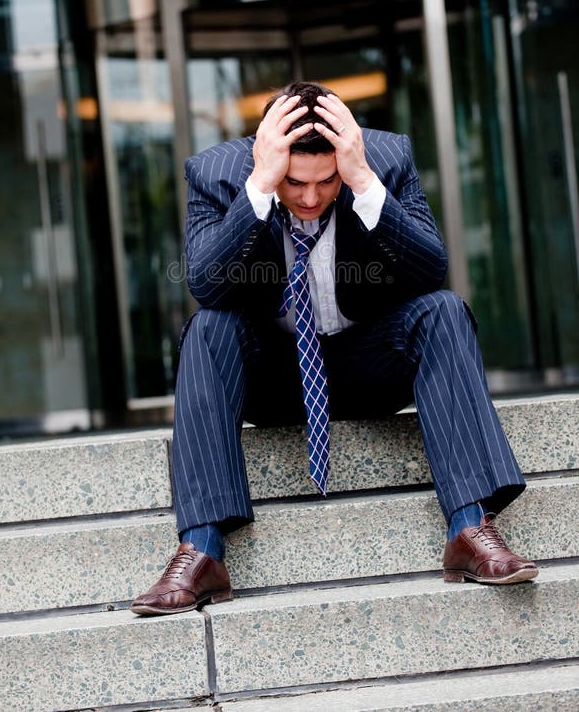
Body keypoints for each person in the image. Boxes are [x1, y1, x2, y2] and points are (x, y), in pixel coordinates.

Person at [131, 80, 538, 616]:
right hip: (274, 378)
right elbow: (207, 283)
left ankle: (469, 529)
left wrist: (363, 181)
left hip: (366, 365)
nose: (308, 197)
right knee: (207, 327)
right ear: (268, 156)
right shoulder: (217, 174)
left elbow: (431, 270)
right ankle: (201, 551)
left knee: (443, 309)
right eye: (294, 182)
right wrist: (259, 185)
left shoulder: (386, 160)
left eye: (326, 182)